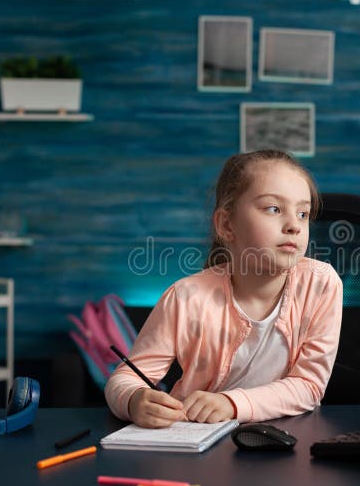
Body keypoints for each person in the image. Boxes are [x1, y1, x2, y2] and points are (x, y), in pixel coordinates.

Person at [105, 149, 343, 428]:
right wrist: (134, 400)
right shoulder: (186, 297)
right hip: (196, 441)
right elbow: (123, 379)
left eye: (303, 213)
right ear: (227, 224)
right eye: (273, 209)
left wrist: (231, 404)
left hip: (286, 444)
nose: (294, 225)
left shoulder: (321, 284)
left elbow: (309, 386)